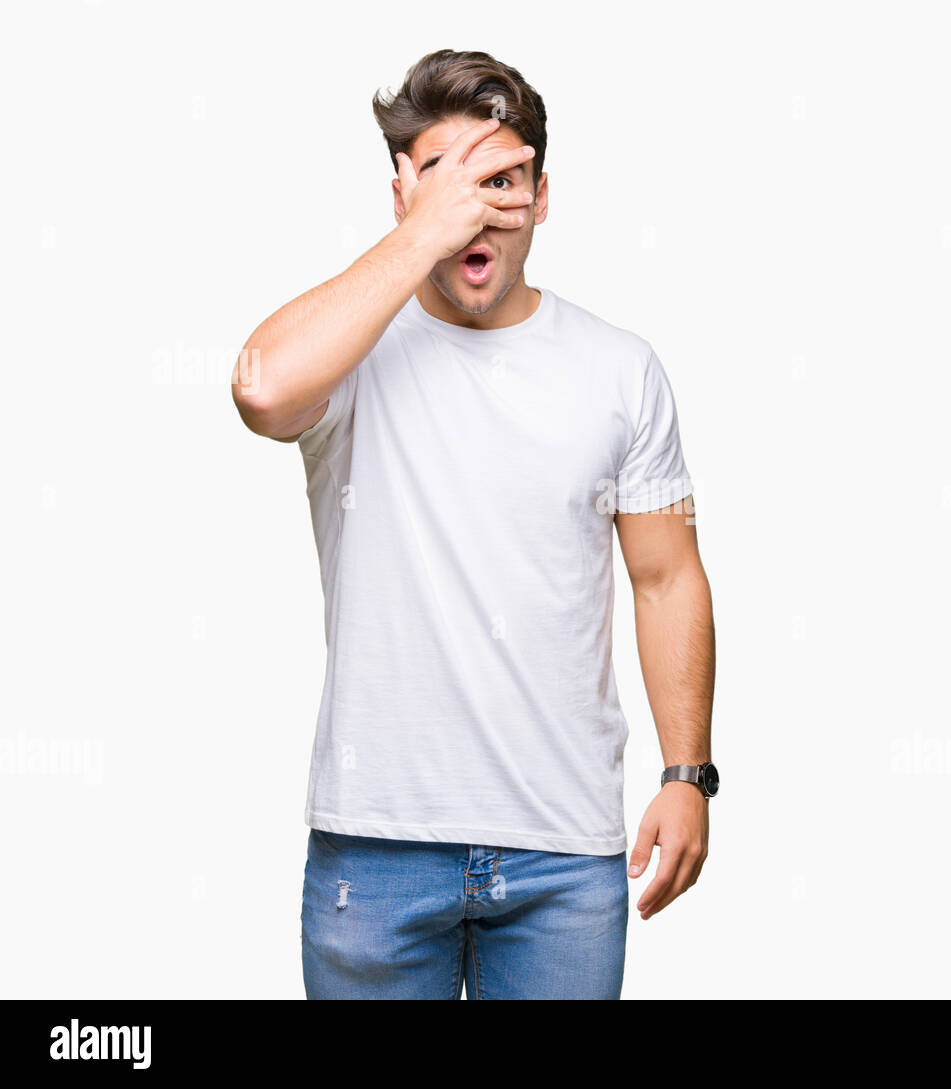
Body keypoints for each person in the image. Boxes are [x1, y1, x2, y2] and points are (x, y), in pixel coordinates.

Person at [230, 49, 718, 1000]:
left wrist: (686, 772)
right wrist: (426, 232)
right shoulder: (352, 352)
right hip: (374, 851)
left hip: (564, 857)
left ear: (542, 197)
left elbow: (667, 577)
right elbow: (261, 388)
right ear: (403, 193)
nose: (478, 209)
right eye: (448, 180)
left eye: (501, 180)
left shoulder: (620, 369)